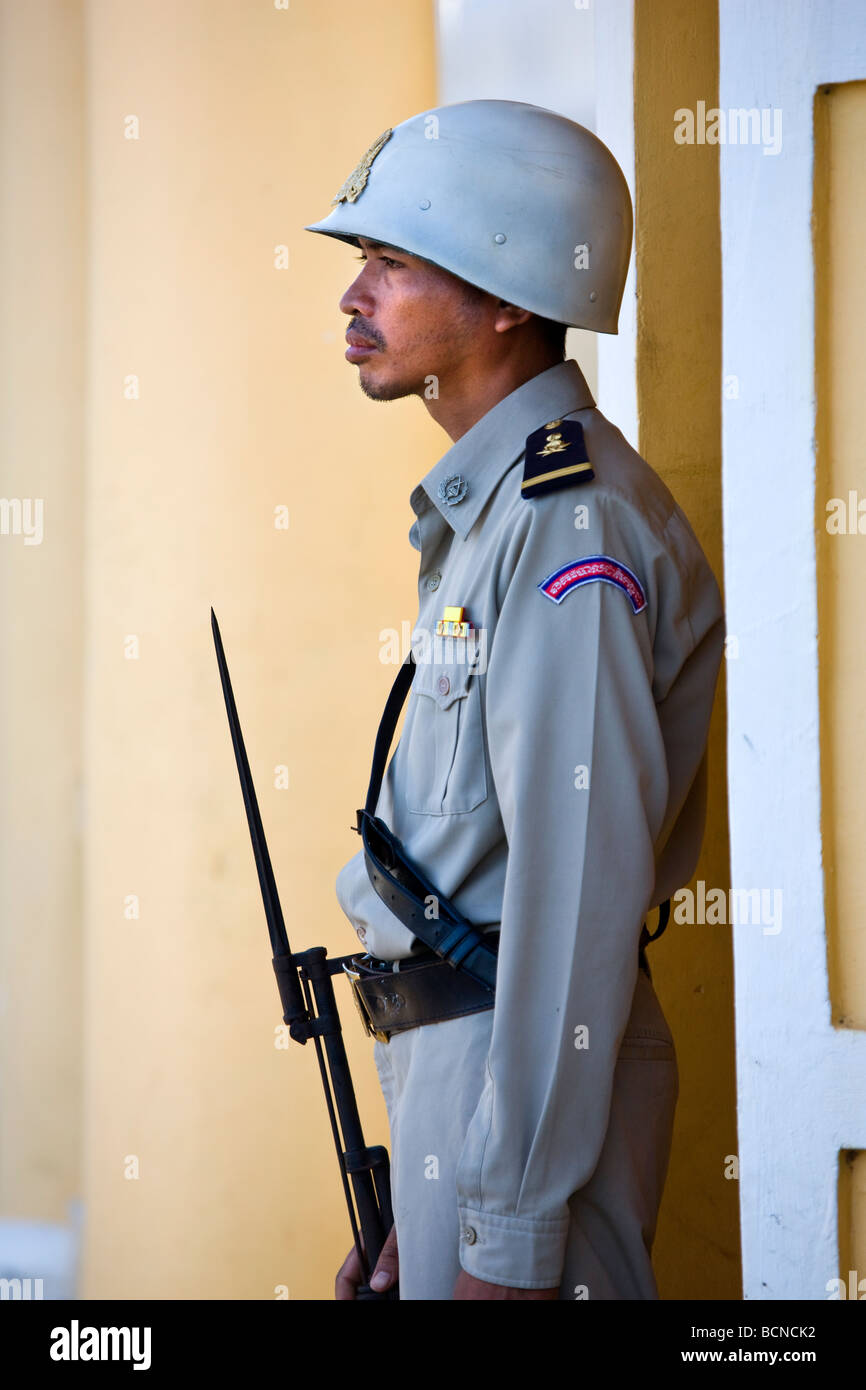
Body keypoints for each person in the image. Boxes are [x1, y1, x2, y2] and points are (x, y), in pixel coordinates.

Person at [304, 100, 725, 1301]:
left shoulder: (563, 524)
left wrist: (509, 1230)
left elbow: (573, 886)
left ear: (504, 300)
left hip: (522, 1088)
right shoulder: (501, 517)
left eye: (390, 260)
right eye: (359, 261)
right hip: (471, 1081)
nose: (352, 295)